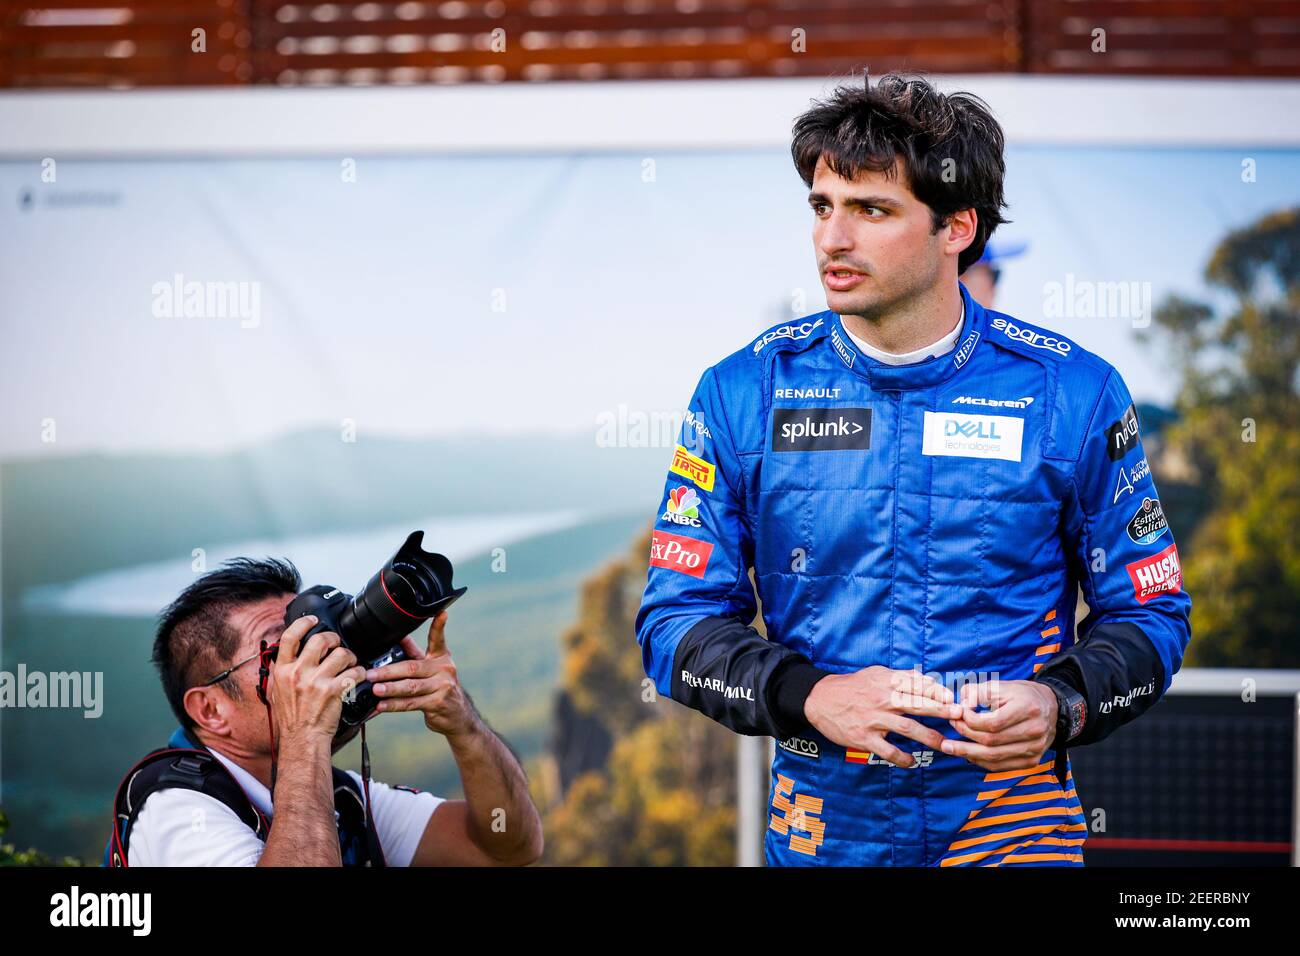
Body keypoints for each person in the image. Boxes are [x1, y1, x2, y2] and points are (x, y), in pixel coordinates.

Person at [635, 73, 1191, 866]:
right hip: (823, 837)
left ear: (957, 226)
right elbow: (672, 622)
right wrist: (813, 695)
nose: (833, 238)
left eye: (871, 210)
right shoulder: (741, 392)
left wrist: (1061, 701)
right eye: (823, 206)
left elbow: (1152, 614)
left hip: (1011, 829)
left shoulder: (1075, 393)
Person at [113, 557, 543, 866]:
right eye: (282, 650)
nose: (311, 666)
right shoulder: (177, 810)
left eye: (315, 637)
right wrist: (305, 736)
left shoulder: (340, 798)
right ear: (211, 709)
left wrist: (463, 725)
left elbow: (507, 846)